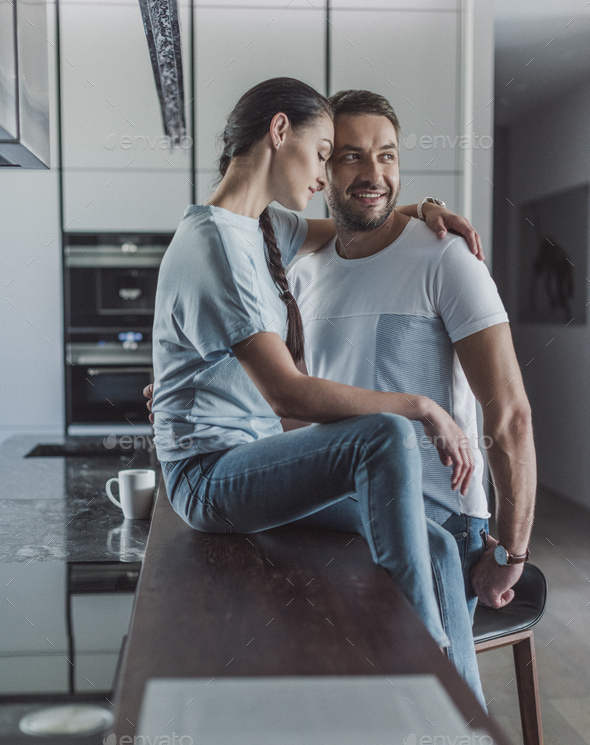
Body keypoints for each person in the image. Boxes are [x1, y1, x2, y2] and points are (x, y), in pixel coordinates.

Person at [148, 76, 483, 670]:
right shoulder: (214, 243)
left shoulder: (262, 229)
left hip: (249, 460)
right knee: (382, 434)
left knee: (437, 545)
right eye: (326, 154)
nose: (327, 174)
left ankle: (467, 723)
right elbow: (286, 391)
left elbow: (359, 224)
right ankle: (422, 651)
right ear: (280, 132)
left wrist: (422, 209)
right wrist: (423, 407)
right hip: (209, 478)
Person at [288, 89, 537, 700]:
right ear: (322, 168)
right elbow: (295, 391)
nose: (375, 175)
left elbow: (509, 418)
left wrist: (511, 550)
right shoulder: (305, 267)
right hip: (342, 521)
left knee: (438, 705)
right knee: (362, 702)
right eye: (351, 157)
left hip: (441, 526)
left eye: (387, 156)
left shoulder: (447, 259)